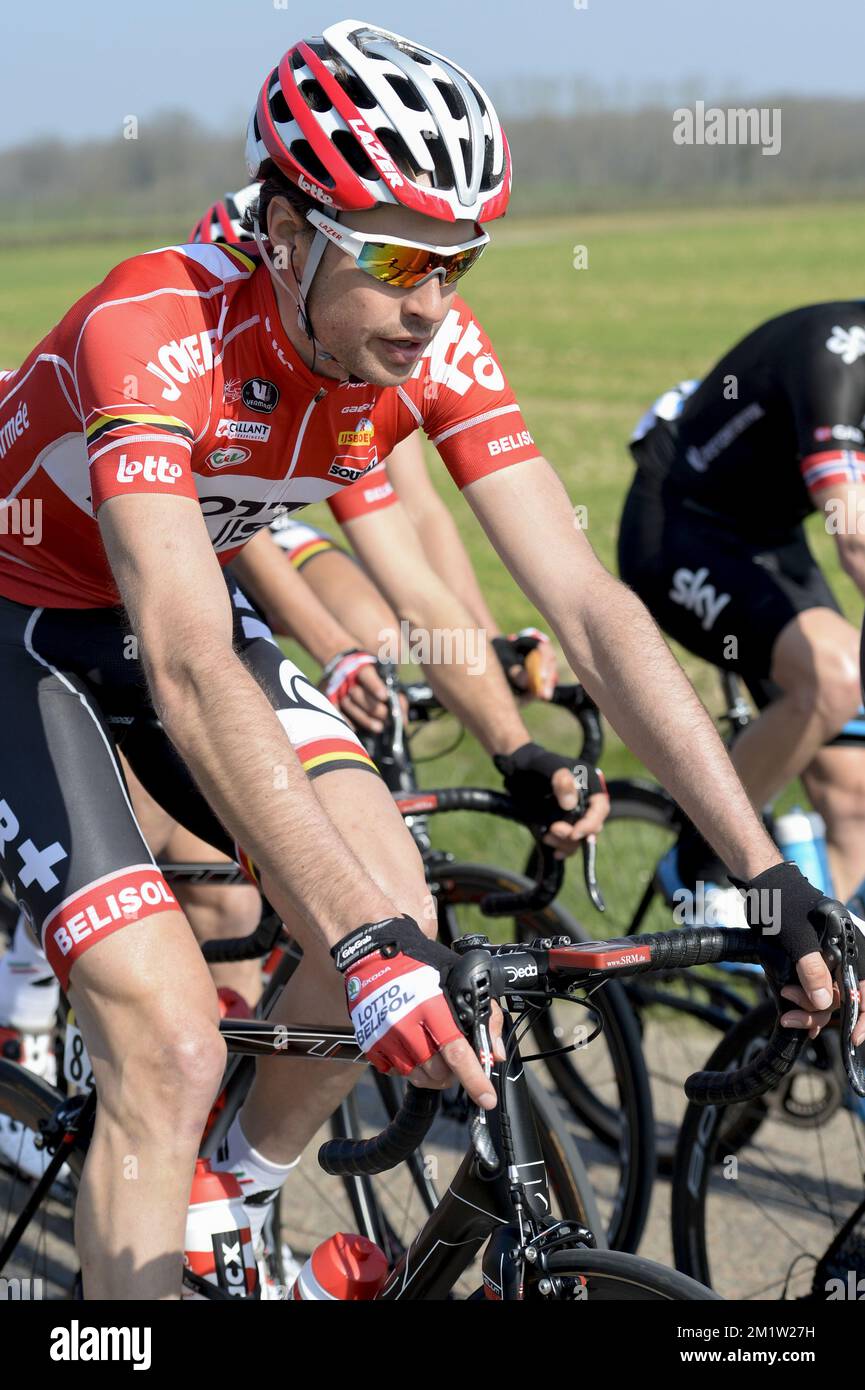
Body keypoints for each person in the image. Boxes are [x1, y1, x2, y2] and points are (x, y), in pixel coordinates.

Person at [0, 20, 852, 1298]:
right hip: (29, 631)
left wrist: (754, 871)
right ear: (287, 230)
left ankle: (230, 1194)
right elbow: (183, 657)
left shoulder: (424, 346)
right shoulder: (155, 322)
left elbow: (589, 606)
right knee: (170, 1043)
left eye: (459, 258)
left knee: (394, 892)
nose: (431, 301)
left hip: (166, 625)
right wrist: (363, 946)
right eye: (397, 255)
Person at [618, 306, 865, 907]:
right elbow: (853, 533)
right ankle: (701, 862)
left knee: (855, 796)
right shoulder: (836, 357)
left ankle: (830, 983)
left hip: (770, 540)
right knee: (835, 677)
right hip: (679, 527)